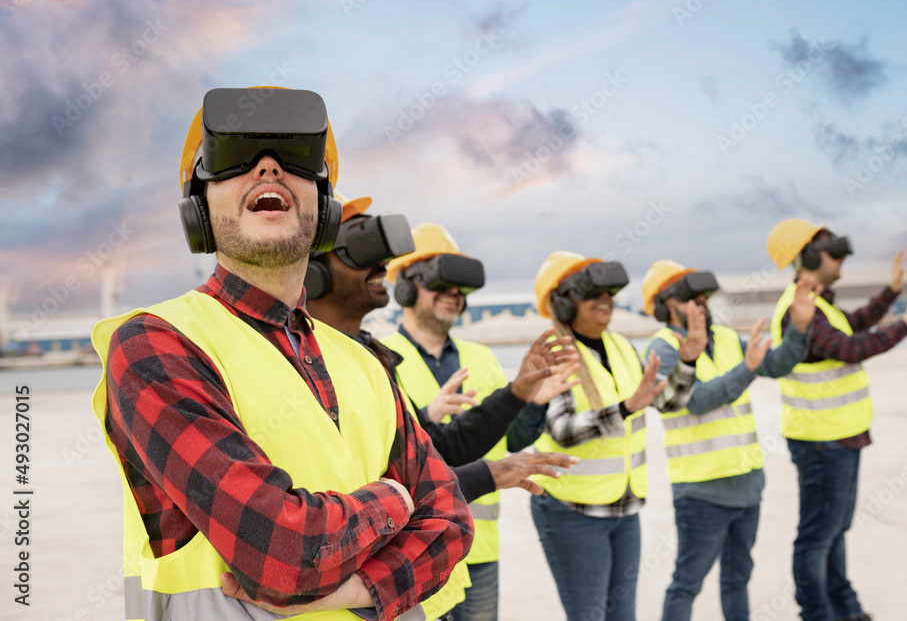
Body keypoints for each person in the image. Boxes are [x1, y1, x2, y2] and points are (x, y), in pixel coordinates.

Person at [90, 87, 473, 621]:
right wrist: (394, 501)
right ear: (198, 205)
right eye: (234, 159)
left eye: (296, 159)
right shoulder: (157, 345)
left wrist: (354, 590)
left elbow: (452, 524)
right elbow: (283, 553)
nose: (268, 169)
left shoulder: (365, 362)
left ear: (325, 206)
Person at [304, 194, 581, 618]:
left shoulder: (375, 358)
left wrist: (522, 397)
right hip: (370, 583)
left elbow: (438, 451)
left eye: (460, 289)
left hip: (449, 552)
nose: (453, 295)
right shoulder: (333, 360)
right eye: (362, 252)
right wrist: (481, 469)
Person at [379, 223, 554, 621]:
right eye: (440, 285)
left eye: (459, 291)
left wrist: (535, 404)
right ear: (405, 286)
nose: (453, 297)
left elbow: (513, 442)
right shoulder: (380, 359)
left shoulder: (483, 357)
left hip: (481, 546)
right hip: (415, 549)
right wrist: (426, 419)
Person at [766, 219, 907, 621]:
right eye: (829, 249)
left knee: (833, 532)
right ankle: (817, 614)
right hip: (821, 442)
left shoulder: (820, 304)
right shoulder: (798, 310)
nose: (840, 256)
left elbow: (853, 324)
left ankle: (845, 610)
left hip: (840, 438)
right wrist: (905, 323)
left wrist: (892, 292)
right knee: (817, 537)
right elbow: (849, 347)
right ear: (806, 256)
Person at [529, 251, 704, 621]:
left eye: (609, 291)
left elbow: (667, 402)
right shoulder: (553, 354)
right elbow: (561, 430)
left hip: (624, 506)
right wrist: (624, 409)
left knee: (623, 614)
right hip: (572, 510)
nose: (605, 299)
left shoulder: (622, 346)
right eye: (592, 292)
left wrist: (687, 362)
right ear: (562, 302)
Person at [641, 260, 816, 621]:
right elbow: (697, 401)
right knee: (687, 584)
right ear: (664, 304)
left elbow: (777, 364)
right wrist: (746, 369)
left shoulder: (723, 339)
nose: (701, 302)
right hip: (701, 490)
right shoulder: (662, 350)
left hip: (747, 486)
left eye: (703, 295)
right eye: (690, 296)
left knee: (737, 580)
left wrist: (798, 327)